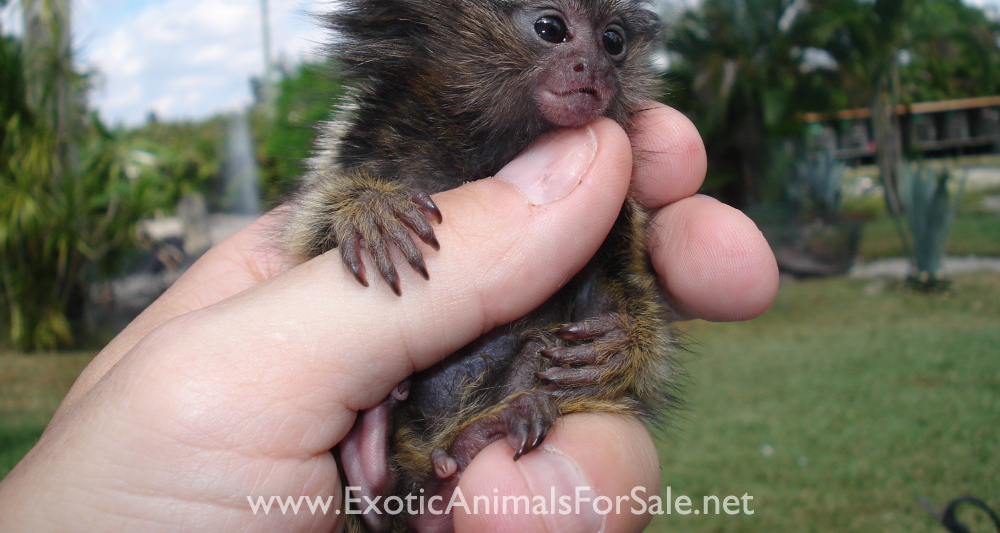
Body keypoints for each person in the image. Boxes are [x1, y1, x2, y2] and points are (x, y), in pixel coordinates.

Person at [0, 104, 778, 533]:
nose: (584, 65)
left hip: (471, 438)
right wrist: (358, 209)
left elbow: (628, 339)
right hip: (378, 456)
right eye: (547, 29)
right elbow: (308, 242)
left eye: (609, 42)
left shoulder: (611, 195)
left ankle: (455, 461)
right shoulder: (386, 128)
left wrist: (628, 344)